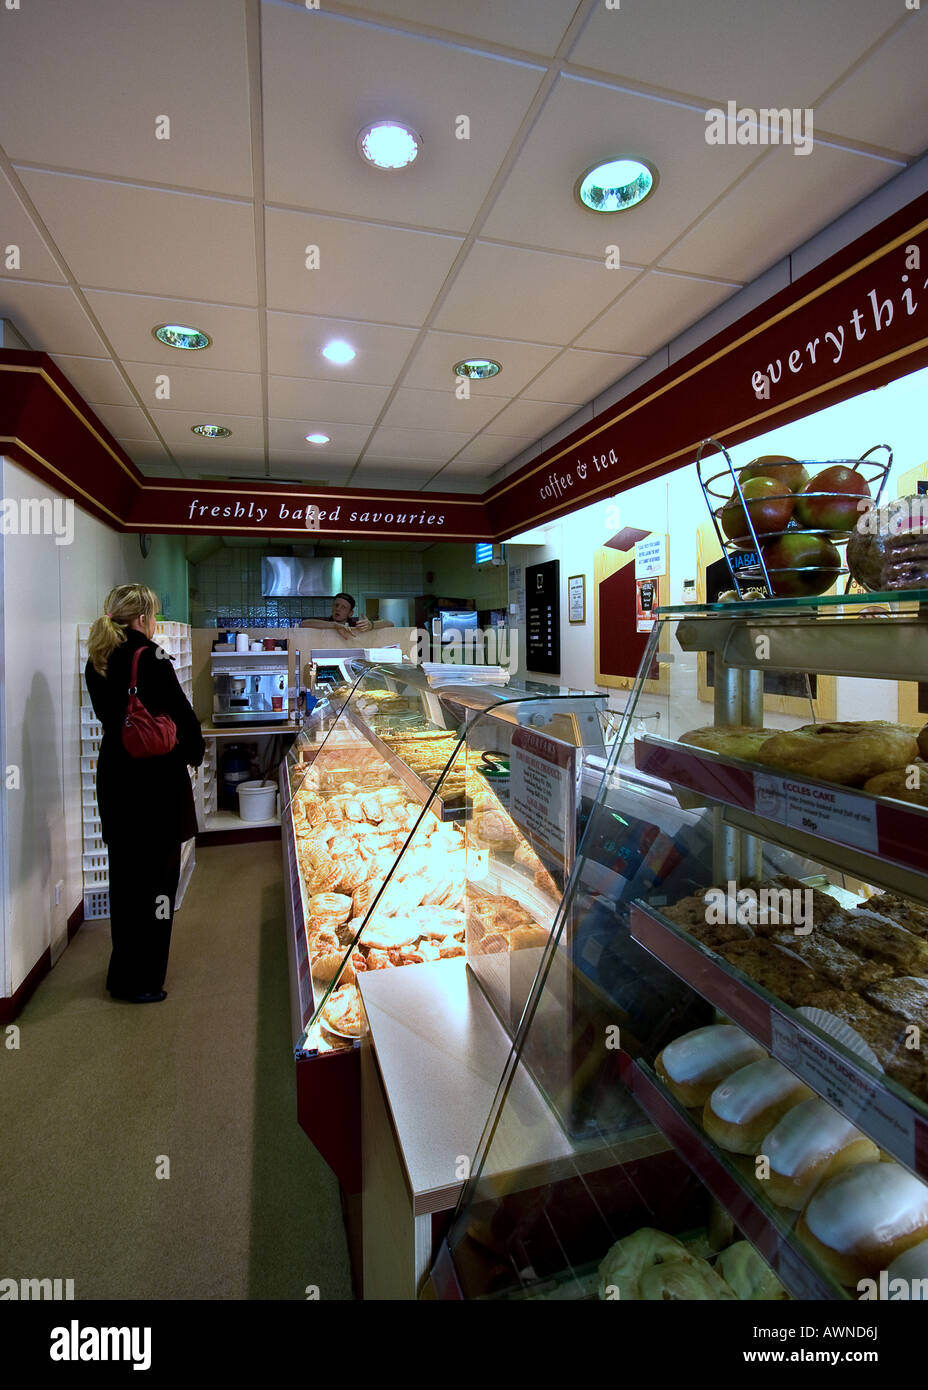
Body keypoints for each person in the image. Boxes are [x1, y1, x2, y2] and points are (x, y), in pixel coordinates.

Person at [85, 584, 205, 1003]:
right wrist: (194, 752)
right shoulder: (150, 656)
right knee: (157, 884)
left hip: (116, 780)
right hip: (154, 786)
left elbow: (110, 717)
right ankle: (145, 980)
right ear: (142, 619)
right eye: (152, 615)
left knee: (125, 881)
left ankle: (122, 973)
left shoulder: (97, 657)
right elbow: (183, 718)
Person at [299, 591, 389, 637]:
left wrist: (371, 625)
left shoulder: (356, 624)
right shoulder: (325, 623)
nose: (338, 609)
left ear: (350, 613)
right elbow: (304, 624)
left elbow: (390, 624)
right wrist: (333, 625)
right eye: (336, 605)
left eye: (343, 607)